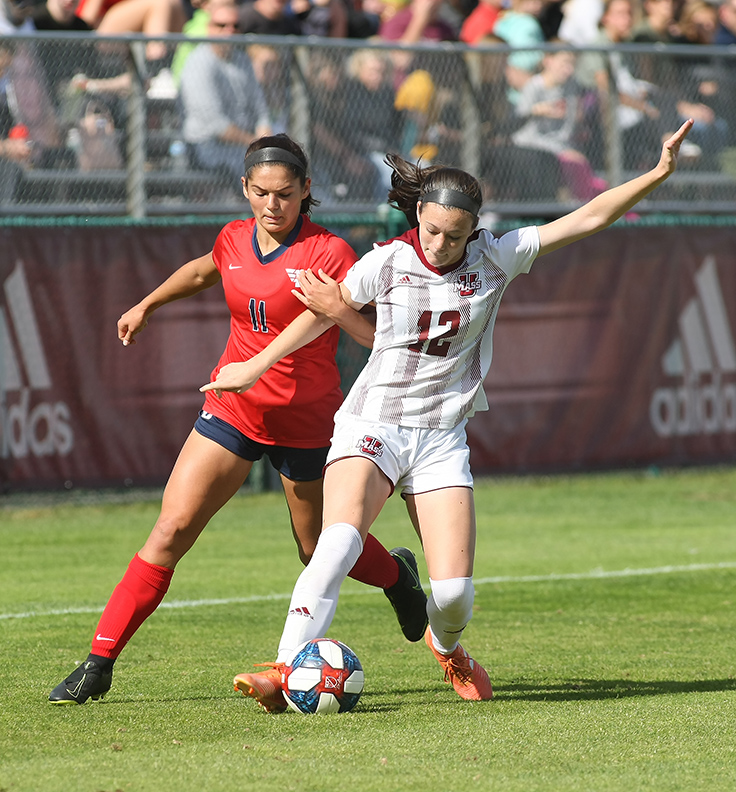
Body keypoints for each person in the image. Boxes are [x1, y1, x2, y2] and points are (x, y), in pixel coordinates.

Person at [201, 118, 695, 711]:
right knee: (334, 544)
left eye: (453, 236)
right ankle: (281, 673)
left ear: (473, 231)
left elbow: (587, 217)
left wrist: (658, 173)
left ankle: (450, 650)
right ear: (418, 218)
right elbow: (322, 311)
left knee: (456, 594)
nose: (437, 245)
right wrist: (255, 366)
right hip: (372, 422)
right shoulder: (385, 260)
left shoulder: (497, 258)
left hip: (440, 436)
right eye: (430, 230)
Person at [48, 133, 429, 705]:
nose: (271, 205)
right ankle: (98, 662)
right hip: (233, 408)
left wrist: (262, 362)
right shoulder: (233, 236)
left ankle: (397, 577)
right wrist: (147, 304)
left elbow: (347, 324)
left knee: (316, 549)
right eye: (259, 192)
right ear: (245, 188)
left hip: (306, 420)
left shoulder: (329, 253)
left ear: (305, 191)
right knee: (170, 530)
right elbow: (207, 270)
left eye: (283, 193)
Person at [179, 2, 272, 181]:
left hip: (246, 145)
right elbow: (216, 125)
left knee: (286, 160)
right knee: (260, 170)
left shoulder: (243, 60)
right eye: (221, 25)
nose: (229, 31)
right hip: (207, 147)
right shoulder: (198, 62)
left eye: (235, 26)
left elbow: (260, 110)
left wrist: (266, 141)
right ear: (209, 28)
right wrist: (258, 144)